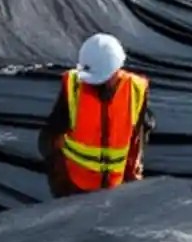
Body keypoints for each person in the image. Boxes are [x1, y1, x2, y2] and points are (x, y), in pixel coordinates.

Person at [37, 33, 155, 198]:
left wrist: (132, 185)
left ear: (116, 70)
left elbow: (137, 141)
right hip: (74, 187)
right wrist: (60, 182)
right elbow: (50, 138)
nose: (94, 85)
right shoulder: (74, 87)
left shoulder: (134, 90)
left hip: (116, 190)